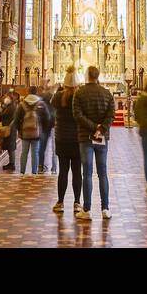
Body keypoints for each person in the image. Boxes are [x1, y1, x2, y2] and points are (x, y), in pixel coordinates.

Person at [71, 65, 116, 221]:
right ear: (98, 76)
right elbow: (111, 114)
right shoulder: (107, 94)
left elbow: (77, 115)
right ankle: (105, 209)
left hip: (85, 137)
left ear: (87, 75)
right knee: (103, 173)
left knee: (87, 174)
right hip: (102, 138)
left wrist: (93, 127)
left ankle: (87, 209)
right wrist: (101, 129)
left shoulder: (79, 93)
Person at [51, 68, 82, 214]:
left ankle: (60, 202)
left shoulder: (58, 96)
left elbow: (52, 106)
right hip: (77, 139)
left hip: (62, 137)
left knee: (63, 171)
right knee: (77, 172)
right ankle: (77, 202)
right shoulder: (80, 97)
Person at [12, 86, 50, 175]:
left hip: (25, 132)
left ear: (28, 92)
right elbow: (47, 118)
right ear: (36, 92)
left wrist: (19, 130)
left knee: (24, 152)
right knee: (35, 152)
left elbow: (16, 119)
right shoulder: (41, 103)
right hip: (36, 132)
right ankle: (34, 172)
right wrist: (42, 129)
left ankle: (22, 172)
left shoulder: (22, 104)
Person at [38, 85, 56, 175]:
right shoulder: (53, 105)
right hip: (52, 127)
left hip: (43, 128)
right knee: (54, 149)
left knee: (42, 148)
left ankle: (40, 166)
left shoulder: (41, 104)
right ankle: (54, 168)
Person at [0, 93, 17, 171]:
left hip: (10, 128)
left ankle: (12, 164)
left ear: (11, 99)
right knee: (10, 146)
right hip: (10, 127)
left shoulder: (11, 107)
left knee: (11, 147)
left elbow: (2, 114)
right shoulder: (11, 106)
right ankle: (11, 163)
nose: (6, 99)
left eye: (7, 97)